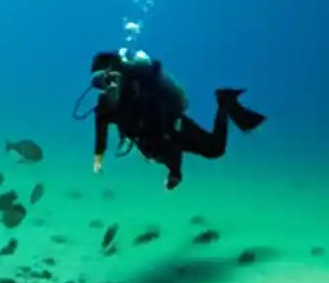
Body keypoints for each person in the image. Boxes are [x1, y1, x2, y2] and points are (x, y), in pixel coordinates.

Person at [83, 49, 266, 190]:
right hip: (158, 140)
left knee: (215, 149)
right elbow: (101, 127)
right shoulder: (106, 104)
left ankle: (224, 101)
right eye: (103, 81)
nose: (110, 85)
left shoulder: (141, 92)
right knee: (210, 150)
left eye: (112, 78)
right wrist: (98, 158)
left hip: (174, 126)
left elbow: (167, 136)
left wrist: (175, 172)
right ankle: (225, 102)